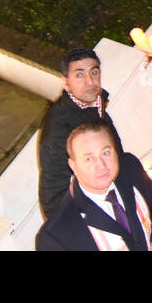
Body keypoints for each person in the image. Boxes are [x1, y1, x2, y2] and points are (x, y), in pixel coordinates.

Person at [36, 122, 152, 251]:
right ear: (73, 166)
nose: (101, 165)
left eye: (106, 153)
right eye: (89, 159)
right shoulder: (54, 236)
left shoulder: (129, 168)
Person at [37, 47, 123, 219]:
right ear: (66, 82)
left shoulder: (92, 100)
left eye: (94, 72)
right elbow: (53, 194)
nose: (90, 82)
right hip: (97, 206)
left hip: (115, 191)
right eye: (79, 75)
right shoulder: (58, 129)